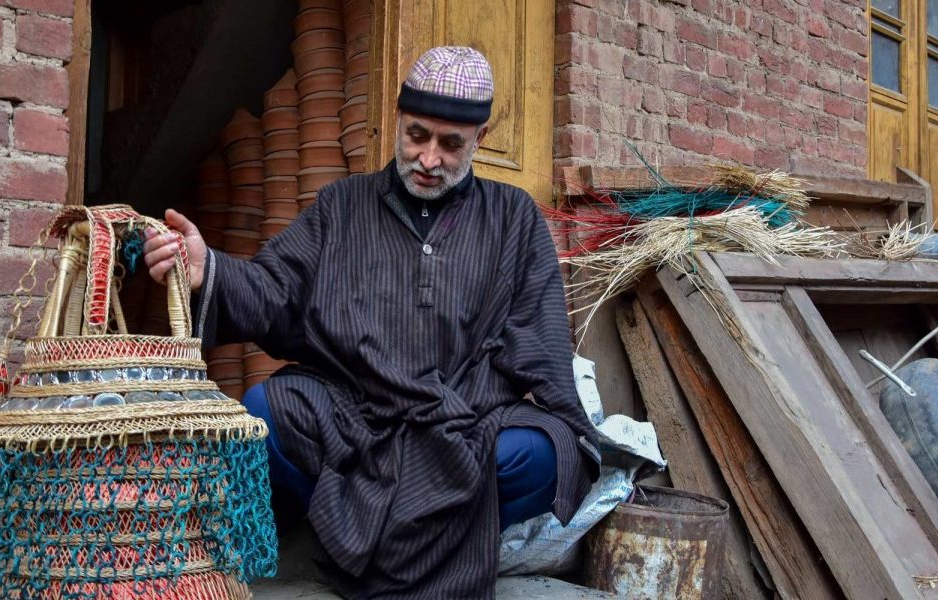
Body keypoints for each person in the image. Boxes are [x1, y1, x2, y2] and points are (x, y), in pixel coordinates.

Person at [143, 46, 599, 599]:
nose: (429, 158)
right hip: (356, 413)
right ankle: (414, 531)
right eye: (417, 136)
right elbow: (275, 288)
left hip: (463, 419)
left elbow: (539, 336)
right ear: (397, 124)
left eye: (450, 144)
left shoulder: (514, 217)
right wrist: (206, 268)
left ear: (479, 139)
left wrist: (577, 433)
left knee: (542, 455)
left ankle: (368, 531)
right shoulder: (341, 205)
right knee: (265, 412)